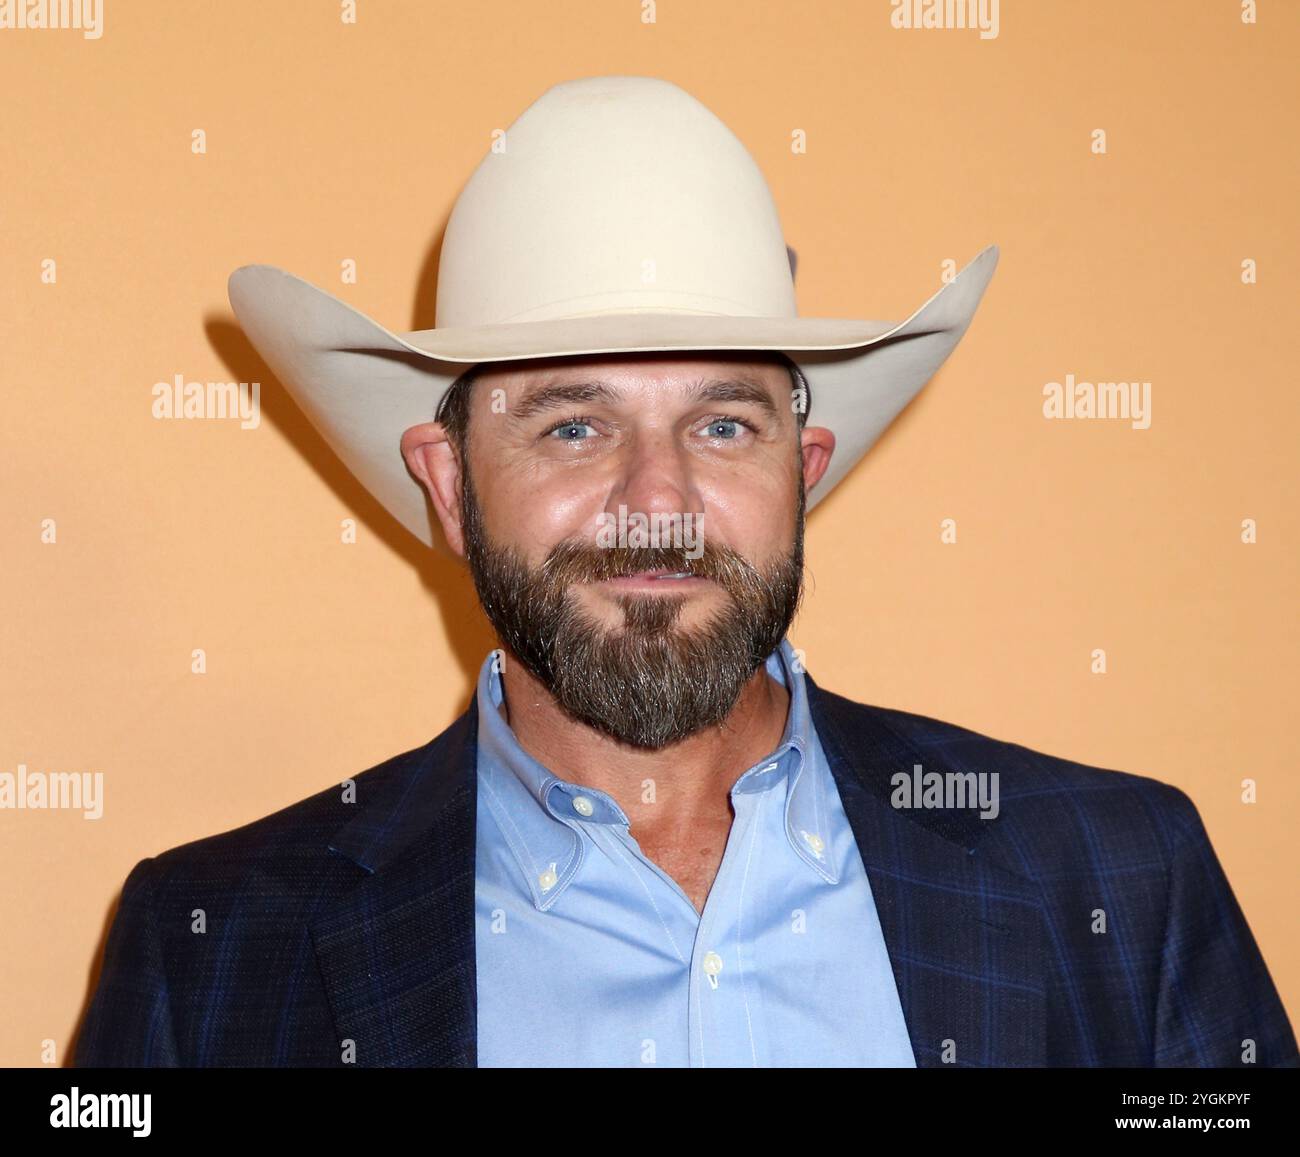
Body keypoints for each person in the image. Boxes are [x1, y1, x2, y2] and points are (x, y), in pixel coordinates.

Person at [75, 75, 1296, 1067]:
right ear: (448, 487)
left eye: (721, 425)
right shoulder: (217, 952)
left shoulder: (1120, 881)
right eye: (571, 424)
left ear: (802, 470)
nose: (655, 504)